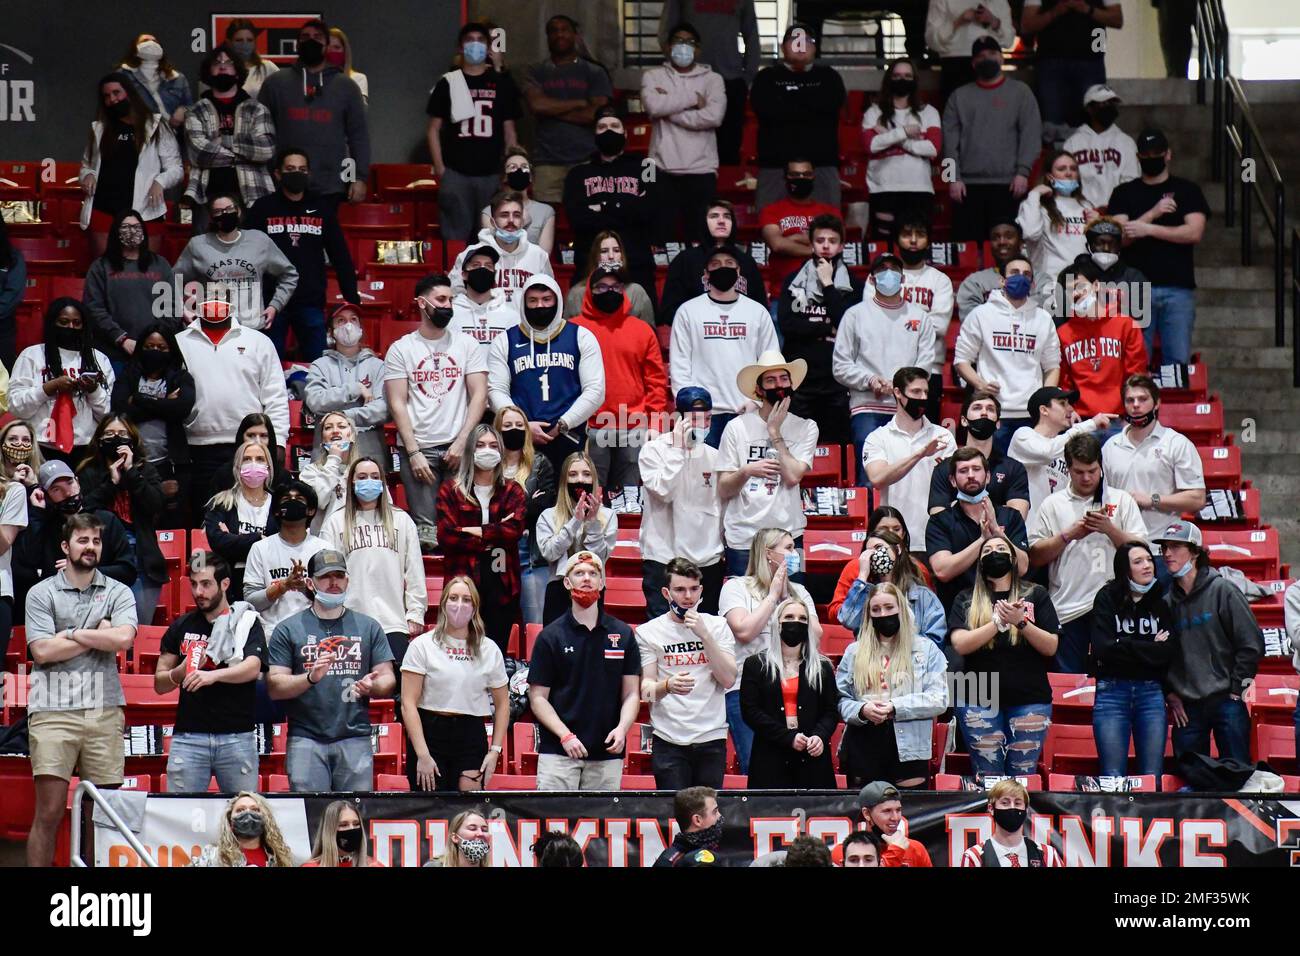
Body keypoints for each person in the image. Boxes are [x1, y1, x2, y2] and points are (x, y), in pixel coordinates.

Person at [23, 513, 137, 867]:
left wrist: (71, 634)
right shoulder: (40, 593)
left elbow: (123, 638)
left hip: (103, 710)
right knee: (50, 812)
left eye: (96, 541)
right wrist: (94, 634)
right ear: (65, 546)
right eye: (83, 540)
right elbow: (41, 650)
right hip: (52, 711)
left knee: (101, 816)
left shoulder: (118, 590)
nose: (90, 547)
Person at [267, 548, 396, 791]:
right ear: (310, 582)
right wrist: (310, 677)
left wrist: (373, 686)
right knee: (311, 819)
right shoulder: (288, 629)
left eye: (339, 575)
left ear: (347, 580)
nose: (333, 582)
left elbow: (388, 678)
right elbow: (275, 687)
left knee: (353, 819)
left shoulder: (369, 627)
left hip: (355, 735)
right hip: (306, 738)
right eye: (325, 576)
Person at [385, 273, 488, 551]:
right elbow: (397, 403)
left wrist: (462, 441)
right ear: (421, 303)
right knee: (426, 537)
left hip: (459, 447)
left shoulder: (467, 345)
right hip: (419, 450)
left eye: (451, 300)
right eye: (441, 299)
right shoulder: (401, 349)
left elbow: (479, 395)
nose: (448, 306)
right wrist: (413, 452)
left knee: (460, 531)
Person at [1028, 432, 1147, 672]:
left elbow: (1142, 552)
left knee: (1114, 687)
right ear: (1068, 469)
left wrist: (1109, 529)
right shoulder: (1053, 504)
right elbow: (1035, 556)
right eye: (1078, 471)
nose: (1086, 478)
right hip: (1067, 610)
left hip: (1117, 608)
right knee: (1069, 689)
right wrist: (1068, 535)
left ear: (1101, 466)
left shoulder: (1121, 500)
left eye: (1092, 471)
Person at [526, 551, 641, 791]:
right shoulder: (550, 636)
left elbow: (631, 693)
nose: (586, 578)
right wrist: (565, 735)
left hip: (607, 753)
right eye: (579, 573)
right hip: (559, 753)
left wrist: (622, 729)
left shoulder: (623, 634)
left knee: (601, 829)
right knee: (554, 828)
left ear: (602, 581)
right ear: (567, 583)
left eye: (593, 573)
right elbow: (538, 699)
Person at [949, 534, 1061, 777]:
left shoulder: (1035, 593)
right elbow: (959, 644)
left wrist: (1020, 623)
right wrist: (996, 624)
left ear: (1013, 559)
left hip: (1029, 696)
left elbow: (1051, 646)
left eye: (1001, 548)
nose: (994, 553)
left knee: (1022, 775)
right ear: (979, 562)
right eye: (987, 550)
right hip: (977, 695)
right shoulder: (965, 598)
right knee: (987, 775)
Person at [155, 552, 266, 793]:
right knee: (181, 819)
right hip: (189, 737)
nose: (198, 592)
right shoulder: (181, 626)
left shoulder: (246, 622)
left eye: (206, 584)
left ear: (224, 584)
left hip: (237, 736)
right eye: (194, 584)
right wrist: (179, 672)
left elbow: (252, 668)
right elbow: (159, 683)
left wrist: (212, 676)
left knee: (245, 818)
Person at [177, 294, 289, 521]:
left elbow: (275, 395)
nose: (214, 301)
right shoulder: (179, 341)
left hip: (252, 447)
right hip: (196, 448)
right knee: (205, 519)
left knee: (254, 515)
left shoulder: (258, 341)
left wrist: (278, 441)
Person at [718, 528, 822, 775]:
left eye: (794, 547)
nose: (793, 553)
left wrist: (787, 598)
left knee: (794, 769)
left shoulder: (800, 592)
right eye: (787, 548)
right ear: (767, 554)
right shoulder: (736, 587)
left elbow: (815, 636)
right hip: (747, 691)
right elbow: (744, 631)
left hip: (795, 688)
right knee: (758, 768)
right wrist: (773, 596)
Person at [1157, 521, 1262, 763]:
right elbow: (1159, 655)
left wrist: (1237, 690)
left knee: (1238, 775)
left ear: (1195, 552)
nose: (1167, 554)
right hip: (1187, 707)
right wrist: (1170, 692)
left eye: (1175, 547)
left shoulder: (1223, 590)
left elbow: (1252, 645)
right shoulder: (1165, 603)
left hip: (1227, 699)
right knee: (1190, 779)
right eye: (1164, 548)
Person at [246, 147, 360, 361]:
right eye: (290, 169)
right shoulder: (263, 208)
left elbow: (340, 256)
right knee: (269, 366)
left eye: (302, 169)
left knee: (318, 365)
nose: (296, 173)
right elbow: (246, 256)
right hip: (271, 302)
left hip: (310, 300)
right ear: (278, 174)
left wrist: (352, 298)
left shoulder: (321, 207)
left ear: (308, 174)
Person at [1106, 128, 1209, 366]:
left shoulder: (1188, 190)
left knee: (1177, 361)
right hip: (1135, 288)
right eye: (1146, 153)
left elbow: (1194, 232)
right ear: (1138, 157)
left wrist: (1147, 230)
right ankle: (1137, 403)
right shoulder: (1124, 193)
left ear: (1168, 154)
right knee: (1135, 361)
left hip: (1178, 289)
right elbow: (1118, 237)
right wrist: (1152, 214)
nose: (1151, 157)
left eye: (1157, 152)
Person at [486, 274, 605, 472]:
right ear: (523, 303)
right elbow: (496, 390)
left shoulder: (581, 337)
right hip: (520, 438)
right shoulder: (505, 340)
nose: (540, 306)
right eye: (533, 301)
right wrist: (521, 425)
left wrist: (563, 424)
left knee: (568, 498)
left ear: (557, 300)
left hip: (569, 435)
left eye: (546, 299)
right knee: (521, 498)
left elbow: (595, 390)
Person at [636, 558, 737, 790]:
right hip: (669, 739)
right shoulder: (648, 633)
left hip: (711, 737)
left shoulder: (718, 626)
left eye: (693, 589)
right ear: (666, 593)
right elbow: (646, 692)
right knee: (674, 818)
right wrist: (668, 685)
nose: (687, 597)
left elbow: (728, 679)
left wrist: (705, 635)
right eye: (679, 590)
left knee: (708, 818)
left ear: (701, 590)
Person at [401, 577, 509, 792]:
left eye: (466, 599)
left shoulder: (489, 649)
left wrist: (495, 750)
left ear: (475, 607)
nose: (459, 604)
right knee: (432, 810)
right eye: (453, 598)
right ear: (443, 603)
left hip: (471, 734)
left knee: (469, 812)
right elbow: (407, 703)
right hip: (429, 732)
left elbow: (503, 704)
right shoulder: (422, 645)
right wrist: (422, 754)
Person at [834, 257, 936, 484]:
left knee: (912, 476)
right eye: (882, 270)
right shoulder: (855, 315)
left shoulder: (920, 317)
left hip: (907, 408)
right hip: (866, 407)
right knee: (870, 477)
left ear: (902, 278)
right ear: (871, 278)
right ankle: (871, 518)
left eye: (893, 270)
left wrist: (900, 388)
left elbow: (925, 366)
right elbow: (840, 365)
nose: (888, 274)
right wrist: (869, 379)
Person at [836, 584, 948, 789]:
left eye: (889, 607)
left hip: (909, 746)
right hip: (863, 741)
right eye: (876, 609)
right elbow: (840, 700)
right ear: (868, 614)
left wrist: (895, 706)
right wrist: (861, 710)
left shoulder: (926, 649)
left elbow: (939, 699)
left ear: (902, 610)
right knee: (866, 814)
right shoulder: (854, 651)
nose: (883, 614)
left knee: (911, 815)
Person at [570, 264, 671, 490]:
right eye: (602, 287)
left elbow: (656, 380)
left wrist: (654, 421)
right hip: (589, 426)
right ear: (589, 290)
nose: (609, 292)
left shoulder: (642, 330)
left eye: (616, 287)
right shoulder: (573, 329)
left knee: (630, 498)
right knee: (588, 494)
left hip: (634, 425)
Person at [717, 351, 817, 574]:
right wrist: (746, 471)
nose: (779, 385)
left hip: (790, 536)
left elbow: (792, 477)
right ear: (759, 390)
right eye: (771, 380)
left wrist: (774, 432)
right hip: (744, 539)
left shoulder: (807, 426)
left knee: (794, 603)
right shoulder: (736, 427)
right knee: (744, 604)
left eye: (783, 379)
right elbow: (723, 488)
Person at [669, 245, 778, 447]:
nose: (723, 268)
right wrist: (692, 406)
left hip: (747, 411)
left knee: (748, 476)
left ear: (738, 272)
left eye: (729, 264)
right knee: (703, 477)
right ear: (706, 273)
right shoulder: (688, 312)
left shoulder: (757, 312)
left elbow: (770, 362)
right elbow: (679, 365)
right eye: (715, 264)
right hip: (702, 414)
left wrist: (757, 402)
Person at [320, 456, 424, 666]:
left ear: (383, 483)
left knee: (398, 685)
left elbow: (414, 570)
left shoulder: (401, 520)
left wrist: (415, 613)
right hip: (348, 620)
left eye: (375, 477)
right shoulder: (334, 522)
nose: (369, 481)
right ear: (352, 483)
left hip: (393, 622)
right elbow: (326, 575)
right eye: (362, 476)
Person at [257, 18, 369, 208]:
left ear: (326, 46)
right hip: (282, 183)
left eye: (318, 37)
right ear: (297, 44)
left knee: (323, 237)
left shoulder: (347, 87)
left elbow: (358, 136)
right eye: (305, 37)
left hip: (330, 185)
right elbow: (260, 132)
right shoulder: (275, 83)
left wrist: (358, 178)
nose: (311, 41)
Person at [954, 256, 1061, 453]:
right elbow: (961, 360)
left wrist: (1043, 402)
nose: (1020, 278)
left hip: (1031, 415)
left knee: (1030, 478)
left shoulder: (1044, 319)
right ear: (1002, 280)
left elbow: (1052, 366)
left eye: (1026, 275)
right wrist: (980, 385)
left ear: (1033, 283)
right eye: (1014, 273)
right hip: (995, 413)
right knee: (993, 475)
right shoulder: (981, 314)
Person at [427, 22, 522, 243]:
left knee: (491, 238)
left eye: (480, 40)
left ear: (489, 47)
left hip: (491, 174)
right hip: (457, 174)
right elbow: (433, 129)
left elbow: (510, 132)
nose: (475, 45)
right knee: (455, 241)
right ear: (460, 48)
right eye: (469, 40)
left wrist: (508, 170)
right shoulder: (449, 82)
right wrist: (441, 169)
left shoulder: (501, 84)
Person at [436, 424, 526, 652]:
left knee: (494, 653)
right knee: (460, 653)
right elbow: (447, 536)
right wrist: (495, 532)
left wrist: (472, 530)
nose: (488, 450)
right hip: (462, 583)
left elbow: (514, 530)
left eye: (494, 446)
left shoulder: (513, 490)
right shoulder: (450, 490)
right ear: (470, 450)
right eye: (481, 445)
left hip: (502, 583)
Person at [942, 38, 1042, 242]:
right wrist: (953, 178)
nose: (987, 59)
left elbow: (1031, 135)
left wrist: (1023, 172)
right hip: (967, 187)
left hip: (1009, 185)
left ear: (1002, 57)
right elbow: (949, 143)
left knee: (1007, 250)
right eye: (981, 56)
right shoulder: (958, 96)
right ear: (973, 63)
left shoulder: (1021, 92)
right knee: (967, 248)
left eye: (992, 54)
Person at [1090, 541, 1176, 779]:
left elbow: (1167, 652)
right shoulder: (1107, 598)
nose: (1148, 566)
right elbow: (1102, 649)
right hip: (1112, 692)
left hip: (1151, 693)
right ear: (1124, 569)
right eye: (1138, 562)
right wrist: (1149, 647)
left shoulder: (1162, 600)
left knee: (1151, 776)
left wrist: (1123, 643)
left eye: (1149, 560)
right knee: (1112, 776)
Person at [638, 387, 725, 618]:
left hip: (707, 561)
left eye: (707, 418)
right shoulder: (653, 450)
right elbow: (663, 491)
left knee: (704, 634)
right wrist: (677, 449)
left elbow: (721, 508)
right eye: (695, 419)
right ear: (678, 418)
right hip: (663, 558)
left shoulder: (714, 456)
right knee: (660, 632)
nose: (703, 425)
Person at [777, 213, 859, 446]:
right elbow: (788, 325)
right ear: (812, 244)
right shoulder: (793, 282)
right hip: (800, 380)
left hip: (837, 382)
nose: (825, 246)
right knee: (797, 446)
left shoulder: (854, 285)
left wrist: (828, 285)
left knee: (836, 447)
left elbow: (847, 325)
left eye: (832, 241)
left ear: (842, 245)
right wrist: (825, 327)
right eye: (820, 240)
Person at [1102, 373, 1205, 558]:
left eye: (1143, 399)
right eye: (1130, 400)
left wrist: (1152, 499)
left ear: (1156, 403)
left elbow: (1197, 499)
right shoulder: (1110, 447)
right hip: (1118, 549)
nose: (1136, 405)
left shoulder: (1176, 444)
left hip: (1161, 548)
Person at [563, 106, 658, 306]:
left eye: (615, 126)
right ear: (594, 134)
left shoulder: (647, 166)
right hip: (589, 266)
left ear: (625, 133)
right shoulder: (577, 173)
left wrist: (603, 207)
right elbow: (578, 219)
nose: (608, 131)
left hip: (637, 265)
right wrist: (626, 207)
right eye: (602, 127)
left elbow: (651, 212)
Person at [642, 21, 726, 244]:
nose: (684, 47)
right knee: (659, 235)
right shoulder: (652, 76)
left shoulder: (713, 79)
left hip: (702, 168)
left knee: (699, 237)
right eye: (679, 41)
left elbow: (713, 117)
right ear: (667, 47)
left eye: (690, 42)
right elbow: (653, 107)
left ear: (698, 49)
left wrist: (668, 109)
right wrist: (692, 100)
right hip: (657, 168)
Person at [76, 415, 166, 624]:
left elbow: (155, 505)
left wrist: (131, 472)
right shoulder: (87, 472)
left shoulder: (146, 470)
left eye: (122, 434)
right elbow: (83, 512)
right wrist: (112, 482)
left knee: (139, 628)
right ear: (99, 440)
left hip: (141, 554)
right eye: (109, 434)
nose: (116, 438)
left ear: (132, 441)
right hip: (103, 556)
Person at [740, 596, 838, 789]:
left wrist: (820, 736)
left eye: (803, 619)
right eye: (790, 616)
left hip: (813, 757)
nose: (796, 622)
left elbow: (831, 711)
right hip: (770, 757)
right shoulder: (755, 665)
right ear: (777, 623)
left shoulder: (823, 666)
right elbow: (750, 711)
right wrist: (788, 737)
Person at [79, 72, 183, 243]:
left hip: (146, 210)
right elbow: (86, 166)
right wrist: (88, 174)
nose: (112, 99)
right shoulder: (99, 128)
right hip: (104, 208)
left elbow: (176, 169)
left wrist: (160, 182)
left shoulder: (155, 125)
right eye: (106, 96)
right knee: (107, 268)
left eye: (116, 92)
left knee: (147, 269)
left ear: (129, 92)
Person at [174, 193, 300, 333]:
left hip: (252, 328)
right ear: (211, 217)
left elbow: (289, 274)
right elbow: (172, 279)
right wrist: (183, 310)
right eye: (218, 212)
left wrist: (275, 305)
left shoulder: (259, 240)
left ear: (238, 211)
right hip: (213, 327)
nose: (225, 214)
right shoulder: (198, 245)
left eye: (229, 209)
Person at [750, 25, 845, 210]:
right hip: (774, 166)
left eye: (807, 41)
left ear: (815, 48)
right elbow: (767, 111)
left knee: (826, 228)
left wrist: (787, 100)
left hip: (821, 165)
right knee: (771, 227)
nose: (801, 46)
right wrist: (809, 102)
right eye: (794, 40)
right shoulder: (766, 78)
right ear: (783, 47)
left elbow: (830, 108)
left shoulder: (829, 77)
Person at [184, 45, 276, 235]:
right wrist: (244, 153)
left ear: (238, 71)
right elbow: (199, 154)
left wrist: (223, 141)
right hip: (206, 196)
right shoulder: (196, 110)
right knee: (206, 258)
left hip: (252, 195)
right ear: (209, 72)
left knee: (253, 256)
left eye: (229, 62)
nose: (223, 66)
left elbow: (265, 150)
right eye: (217, 63)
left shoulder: (257, 109)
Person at [9, 298, 114, 465]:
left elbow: (106, 415)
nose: (70, 327)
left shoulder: (99, 359)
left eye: (76, 323)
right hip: (40, 447)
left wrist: (93, 390)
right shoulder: (32, 355)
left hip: (85, 449)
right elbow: (16, 407)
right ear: (52, 323)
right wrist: (47, 388)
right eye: (63, 322)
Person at [862, 367, 957, 549]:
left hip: (937, 540)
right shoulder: (878, 438)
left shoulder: (943, 436)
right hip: (894, 541)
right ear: (897, 392)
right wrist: (920, 454)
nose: (922, 397)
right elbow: (878, 478)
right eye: (915, 391)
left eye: (925, 392)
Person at [108, 323, 193, 526]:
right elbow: (121, 411)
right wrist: (164, 403)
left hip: (169, 464)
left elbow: (181, 408)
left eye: (161, 348)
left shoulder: (180, 377)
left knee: (171, 524)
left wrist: (138, 398)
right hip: (131, 462)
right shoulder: (128, 375)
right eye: (150, 346)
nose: (155, 351)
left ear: (170, 350)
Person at [657, 0, 760, 165]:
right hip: (691, 80)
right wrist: (680, 66)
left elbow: (752, 34)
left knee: (728, 151)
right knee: (688, 148)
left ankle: (725, 188)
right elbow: (666, 33)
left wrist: (747, 76)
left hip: (731, 82)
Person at [926, 448, 1031, 609]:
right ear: (953, 480)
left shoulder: (1010, 516)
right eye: (963, 470)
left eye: (976, 469)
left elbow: (1022, 567)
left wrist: (996, 531)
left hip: (1005, 609)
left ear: (988, 476)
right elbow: (942, 571)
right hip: (958, 611)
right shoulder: (939, 521)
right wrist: (983, 540)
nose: (970, 475)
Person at [523, 15, 613, 204]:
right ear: (547, 37)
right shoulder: (536, 70)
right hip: (547, 163)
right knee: (544, 224)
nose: (559, 34)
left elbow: (595, 116)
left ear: (575, 35)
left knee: (590, 221)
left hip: (587, 159)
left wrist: (552, 111)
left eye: (564, 29)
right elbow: (537, 105)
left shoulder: (594, 71)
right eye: (553, 31)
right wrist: (579, 103)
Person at [1020, 0, 1124, 148]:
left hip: (1092, 60)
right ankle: (1058, 166)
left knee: (1095, 125)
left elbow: (1117, 20)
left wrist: (1086, 8)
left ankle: (1093, 165)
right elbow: (1027, 25)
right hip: (1051, 63)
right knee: (1052, 129)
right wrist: (1056, 11)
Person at [1009, 385, 1113, 528]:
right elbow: (1047, 452)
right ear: (1044, 410)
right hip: (1027, 529)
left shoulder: (1066, 449)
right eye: (1063, 404)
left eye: (1070, 404)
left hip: (1057, 532)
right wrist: (1089, 425)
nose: (1070, 409)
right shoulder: (1023, 435)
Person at [862, 58, 942, 241]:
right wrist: (905, 132)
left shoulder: (929, 112)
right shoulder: (873, 113)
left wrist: (895, 137)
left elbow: (932, 148)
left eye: (907, 76)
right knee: (884, 250)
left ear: (915, 80)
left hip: (919, 190)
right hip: (883, 190)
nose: (902, 79)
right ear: (889, 79)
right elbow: (871, 146)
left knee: (916, 246)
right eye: (897, 75)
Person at [1055, 262, 1148, 419]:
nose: (1075, 294)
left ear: (1096, 285)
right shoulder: (1063, 333)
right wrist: (1069, 409)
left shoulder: (1125, 324)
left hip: (1120, 418)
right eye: (1069, 290)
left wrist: (1131, 416)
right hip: (1082, 420)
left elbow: (1136, 375)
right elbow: (1064, 382)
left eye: (1079, 286)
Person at [535, 452, 618, 625]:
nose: (580, 480)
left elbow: (600, 558)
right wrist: (575, 521)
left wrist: (593, 523)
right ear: (564, 480)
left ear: (594, 479)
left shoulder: (608, 516)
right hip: (558, 590)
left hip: (593, 589)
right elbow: (549, 553)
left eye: (586, 474)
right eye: (573, 474)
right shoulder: (548, 516)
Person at [83, 211, 175, 366]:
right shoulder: (100, 267)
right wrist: (121, 338)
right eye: (125, 227)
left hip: (156, 351)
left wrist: (154, 340)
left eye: (137, 227)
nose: (132, 231)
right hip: (113, 352)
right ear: (116, 232)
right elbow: (94, 308)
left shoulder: (161, 264)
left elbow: (172, 307)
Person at [657, 199, 767, 328]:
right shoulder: (685, 260)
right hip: (699, 334)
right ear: (704, 222)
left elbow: (761, 309)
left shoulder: (746, 262)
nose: (721, 221)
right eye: (714, 216)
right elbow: (669, 310)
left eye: (727, 217)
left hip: (740, 333)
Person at [495, 405, 556, 627]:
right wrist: (526, 502)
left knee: (535, 623)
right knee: (498, 619)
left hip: (529, 551)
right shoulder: (488, 465)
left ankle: (532, 662)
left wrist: (508, 509)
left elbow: (544, 505)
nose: (514, 430)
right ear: (497, 431)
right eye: (508, 425)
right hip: (497, 552)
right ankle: (506, 661)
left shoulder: (540, 464)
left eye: (519, 425)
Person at [304, 304, 389, 464]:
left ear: (361, 328)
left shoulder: (378, 366)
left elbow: (383, 410)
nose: (348, 325)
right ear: (331, 332)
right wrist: (354, 388)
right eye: (341, 320)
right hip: (326, 454)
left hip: (369, 452)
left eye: (353, 319)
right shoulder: (319, 366)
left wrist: (342, 418)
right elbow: (315, 401)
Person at [834, 529, 946, 648]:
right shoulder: (866, 595)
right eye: (869, 551)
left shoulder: (923, 596)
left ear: (897, 549)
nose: (874, 554)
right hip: (873, 662)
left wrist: (898, 651)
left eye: (878, 547)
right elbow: (848, 620)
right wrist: (862, 576)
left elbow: (935, 642)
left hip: (913, 663)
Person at [244, 480, 328, 635]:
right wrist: (283, 586)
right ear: (276, 511)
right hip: (271, 634)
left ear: (310, 510)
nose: (293, 503)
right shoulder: (260, 548)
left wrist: (304, 587)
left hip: (315, 633)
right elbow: (251, 601)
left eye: (300, 500)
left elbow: (332, 598)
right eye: (286, 500)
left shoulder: (324, 549)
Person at [928, 392, 1030, 519]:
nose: (984, 413)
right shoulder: (944, 468)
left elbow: (1017, 520)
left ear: (998, 424)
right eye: (977, 408)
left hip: (1001, 539)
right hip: (958, 540)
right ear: (964, 421)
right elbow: (939, 522)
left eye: (990, 409)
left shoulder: (1014, 468)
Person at [1017, 150, 1097, 306]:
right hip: (1050, 285)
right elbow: (1031, 233)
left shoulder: (1086, 205)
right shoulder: (1036, 204)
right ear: (1049, 176)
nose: (1069, 173)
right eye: (1062, 169)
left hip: (1082, 285)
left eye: (1073, 169)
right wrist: (1034, 194)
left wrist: (1097, 224)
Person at [202, 439, 278, 601]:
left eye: (259, 459)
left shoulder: (279, 504)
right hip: (232, 583)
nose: (253, 464)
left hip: (272, 581)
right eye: (246, 459)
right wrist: (259, 539)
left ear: (269, 467)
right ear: (237, 466)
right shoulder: (220, 503)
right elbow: (219, 542)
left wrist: (235, 539)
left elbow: (281, 547)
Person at [893, 219, 954, 421]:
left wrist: (897, 322)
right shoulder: (881, 277)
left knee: (926, 436)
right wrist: (920, 321)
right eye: (906, 234)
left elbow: (939, 326)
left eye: (919, 234)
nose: (912, 240)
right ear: (897, 240)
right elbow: (875, 322)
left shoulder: (940, 280)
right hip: (890, 367)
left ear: (928, 241)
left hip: (929, 370)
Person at [451, 191, 555, 305]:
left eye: (516, 215)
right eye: (504, 215)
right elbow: (455, 294)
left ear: (522, 221)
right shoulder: (471, 254)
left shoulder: (538, 255)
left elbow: (549, 296)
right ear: (493, 221)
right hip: (487, 321)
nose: (511, 220)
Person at [758, 157, 841, 299]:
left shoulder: (831, 212)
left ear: (814, 177)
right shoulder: (771, 211)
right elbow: (777, 244)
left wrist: (793, 239)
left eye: (807, 174)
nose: (801, 178)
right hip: (784, 294)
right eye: (795, 175)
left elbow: (835, 246)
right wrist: (817, 249)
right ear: (786, 177)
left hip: (823, 294)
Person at [1063, 85, 1139, 209]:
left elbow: (1131, 182)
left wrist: (1115, 207)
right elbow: (1066, 182)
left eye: (1112, 103)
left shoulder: (1126, 142)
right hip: (1081, 212)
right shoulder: (1072, 143)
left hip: (1116, 213)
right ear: (1089, 109)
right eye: (1103, 104)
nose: (1109, 107)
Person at [959, 779, 1064, 866]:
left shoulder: (1048, 855)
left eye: (1018, 803)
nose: (1012, 807)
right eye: (1005, 803)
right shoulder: (974, 857)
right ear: (991, 808)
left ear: (1026, 809)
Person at [563, 232, 657, 328]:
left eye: (616, 250)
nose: (611, 256)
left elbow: (649, 332)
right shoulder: (577, 293)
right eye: (604, 251)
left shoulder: (636, 292)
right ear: (595, 256)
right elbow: (567, 335)